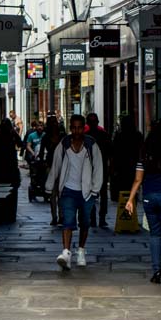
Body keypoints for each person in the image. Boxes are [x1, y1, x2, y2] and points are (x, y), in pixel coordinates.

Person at [125, 120, 161, 283]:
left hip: (149, 197)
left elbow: (138, 179)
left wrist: (130, 200)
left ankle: (156, 270)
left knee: (155, 233)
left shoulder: (145, 150)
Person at [48, 114, 104, 270]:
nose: (77, 131)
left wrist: (95, 189)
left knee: (85, 223)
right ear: (70, 128)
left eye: (79, 128)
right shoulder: (64, 144)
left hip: (87, 192)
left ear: (83, 128)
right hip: (68, 190)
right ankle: (66, 253)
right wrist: (50, 186)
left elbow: (98, 167)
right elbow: (56, 165)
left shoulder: (91, 144)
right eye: (74, 128)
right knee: (67, 221)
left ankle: (81, 251)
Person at [85, 112, 112, 228]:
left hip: (94, 167)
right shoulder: (103, 135)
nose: (93, 124)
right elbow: (111, 153)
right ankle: (100, 217)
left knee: (93, 193)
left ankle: (95, 218)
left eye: (93, 121)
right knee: (102, 193)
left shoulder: (86, 136)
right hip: (97, 167)